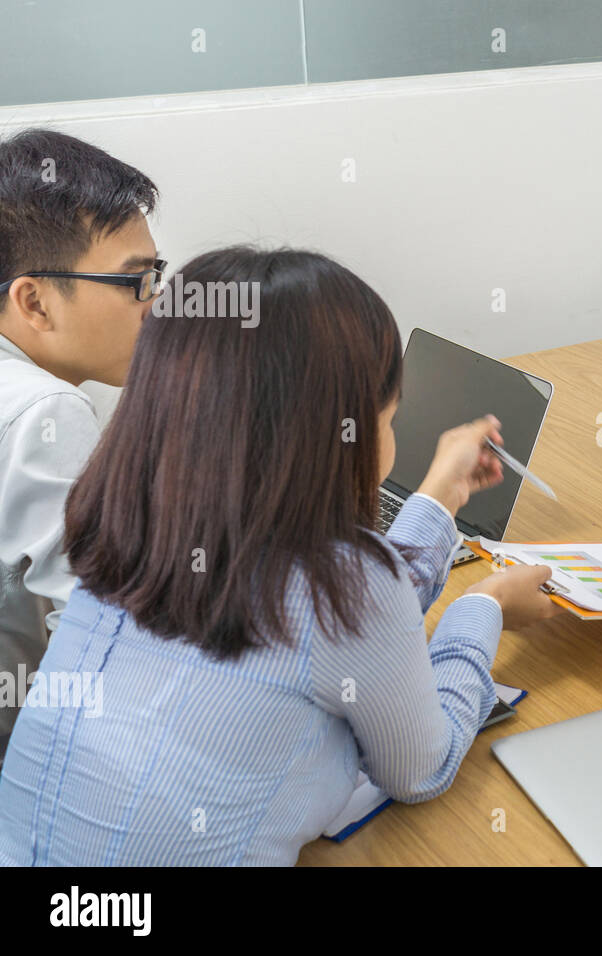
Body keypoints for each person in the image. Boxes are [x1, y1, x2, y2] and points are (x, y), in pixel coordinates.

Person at [0, 246, 561, 865]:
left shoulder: (121, 519)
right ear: (337, 435)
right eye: (390, 417)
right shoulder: (345, 580)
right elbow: (420, 769)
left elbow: (352, 617)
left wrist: (442, 495)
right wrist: (481, 609)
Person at [0, 129, 161, 767]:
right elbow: (96, 638)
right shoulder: (47, 410)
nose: (156, 304)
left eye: (157, 274)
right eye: (134, 282)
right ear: (34, 300)